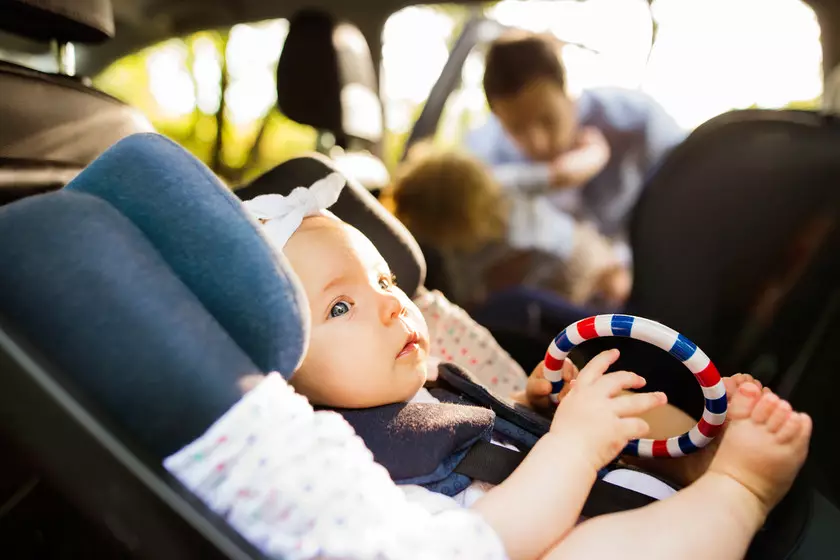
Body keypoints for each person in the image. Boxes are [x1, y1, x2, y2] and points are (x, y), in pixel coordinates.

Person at [169, 173, 811, 560]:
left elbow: (502, 441)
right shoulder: (348, 467)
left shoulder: (430, 383)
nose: (393, 307)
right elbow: (488, 538)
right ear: (280, 369)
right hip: (571, 540)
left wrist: (537, 408)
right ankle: (741, 491)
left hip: (618, 493)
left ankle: (698, 453)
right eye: (341, 305)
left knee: (619, 397)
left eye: (386, 280)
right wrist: (575, 445)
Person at [466, 30, 686, 257]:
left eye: (547, 119)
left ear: (567, 90)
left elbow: (691, 193)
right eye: (516, 129)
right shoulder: (487, 154)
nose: (538, 143)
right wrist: (555, 176)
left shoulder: (636, 121)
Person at [390, 145, 630, 307]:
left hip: (573, 263)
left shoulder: (502, 186)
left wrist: (595, 151)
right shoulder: (461, 252)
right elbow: (563, 174)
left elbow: (561, 174)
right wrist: (596, 150)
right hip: (561, 274)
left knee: (614, 286)